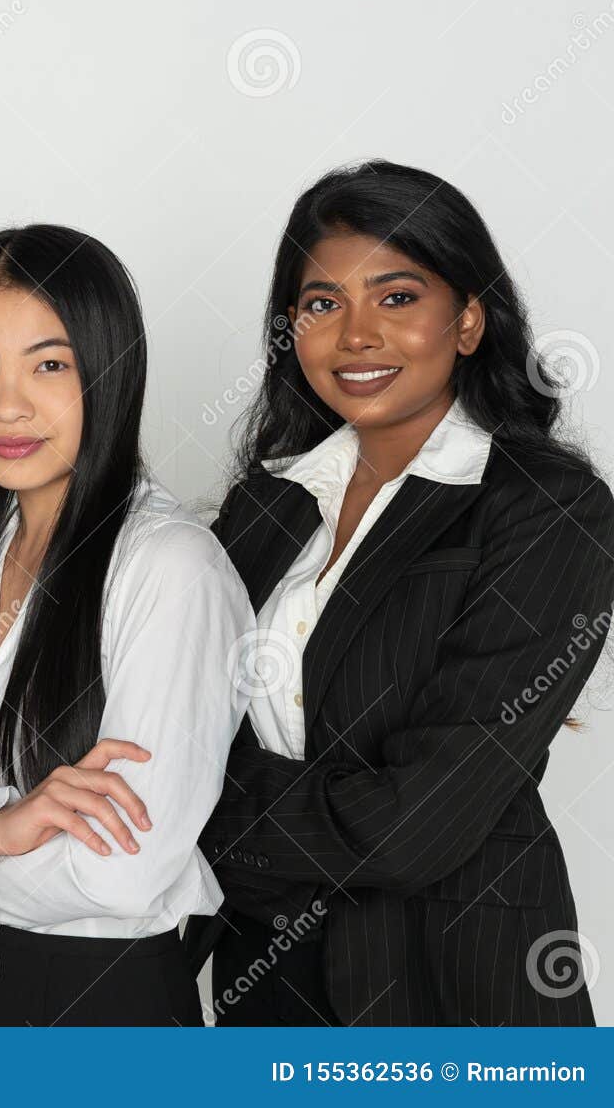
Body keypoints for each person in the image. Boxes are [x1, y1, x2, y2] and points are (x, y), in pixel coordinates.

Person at [187, 160, 613, 1026]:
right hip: (265, 981)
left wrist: (203, 816)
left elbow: (424, 818)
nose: (355, 335)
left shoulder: (547, 508)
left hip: (457, 986)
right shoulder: (262, 507)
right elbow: (178, 730)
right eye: (320, 304)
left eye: (396, 297)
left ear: (467, 321)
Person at [0, 225, 253, 1025]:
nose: (8, 404)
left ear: (111, 368)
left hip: (97, 1003)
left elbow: (122, 876)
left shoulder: (170, 569)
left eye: (50, 364)